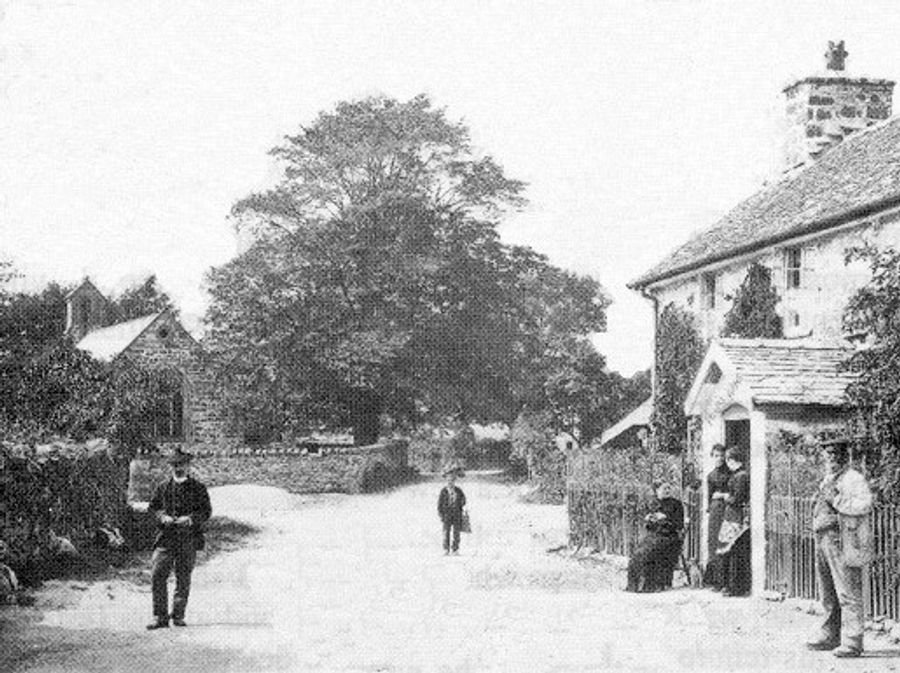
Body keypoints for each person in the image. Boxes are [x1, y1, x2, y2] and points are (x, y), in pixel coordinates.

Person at [806, 437, 873, 658]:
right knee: (827, 591)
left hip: (843, 539)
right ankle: (829, 634)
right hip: (823, 538)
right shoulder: (828, 478)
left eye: (836, 454)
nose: (832, 458)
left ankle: (853, 641)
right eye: (829, 454)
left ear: (845, 456)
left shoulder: (854, 478)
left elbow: (864, 505)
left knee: (848, 590)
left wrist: (836, 501)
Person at [146, 449, 212, 629]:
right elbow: (152, 510)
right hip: (164, 540)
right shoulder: (162, 488)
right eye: (175, 465)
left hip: (187, 539)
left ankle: (178, 615)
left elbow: (206, 511)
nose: (178, 468)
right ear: (170, 467)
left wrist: (190, 519)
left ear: (188, 466)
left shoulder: (198, 488)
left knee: (183, 578)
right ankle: (160, 617)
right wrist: (162, 517)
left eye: (181, 464)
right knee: (158, 576)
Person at [625, 482, 685, 593]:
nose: (667, 491)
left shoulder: (676, 504)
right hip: (654, 536)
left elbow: (679, 525)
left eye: (669, 488)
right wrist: (649, 520)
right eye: (664, 489)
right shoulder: (653, 504)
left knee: (651, 551)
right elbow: (648, 527)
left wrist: (666, 519)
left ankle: (653, 585)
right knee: (638, 553)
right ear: (657, 491)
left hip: (670, 536)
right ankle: (635, 586)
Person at [715, 446, 751, 597]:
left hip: (736, 516)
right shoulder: (738, 474)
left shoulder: (741, 476)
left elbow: (737, 499)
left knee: (733, 550)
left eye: (727, 460)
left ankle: (735, 587)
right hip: (731, 515)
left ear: (731, 460)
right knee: (730, 550)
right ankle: (730, 585)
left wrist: (724, 497)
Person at [704, 444, 731, 590]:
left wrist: (721, 496)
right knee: (714, 543)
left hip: (727, 510)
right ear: (712, 456)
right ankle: (715, 581)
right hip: (715, 511)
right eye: (716, 455)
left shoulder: (730, 474)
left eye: (721, 455)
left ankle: (726, 582)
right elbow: (709, 498)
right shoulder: (711, 476)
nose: (719, 458)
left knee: (725, 543)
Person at [437, 465, 466, 555]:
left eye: (452, 481)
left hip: (457, 514)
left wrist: (460, 505)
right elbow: (439, 504)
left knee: (456, 532)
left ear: (454, 481)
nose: (450, 483)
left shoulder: (458, 490)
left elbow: (464, 500)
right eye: (449, 481)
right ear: (446, 481)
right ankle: (446, 549)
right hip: (446, 514)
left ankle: (455, 549)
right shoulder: (443, 491)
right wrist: (441, 513)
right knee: (446, 532)